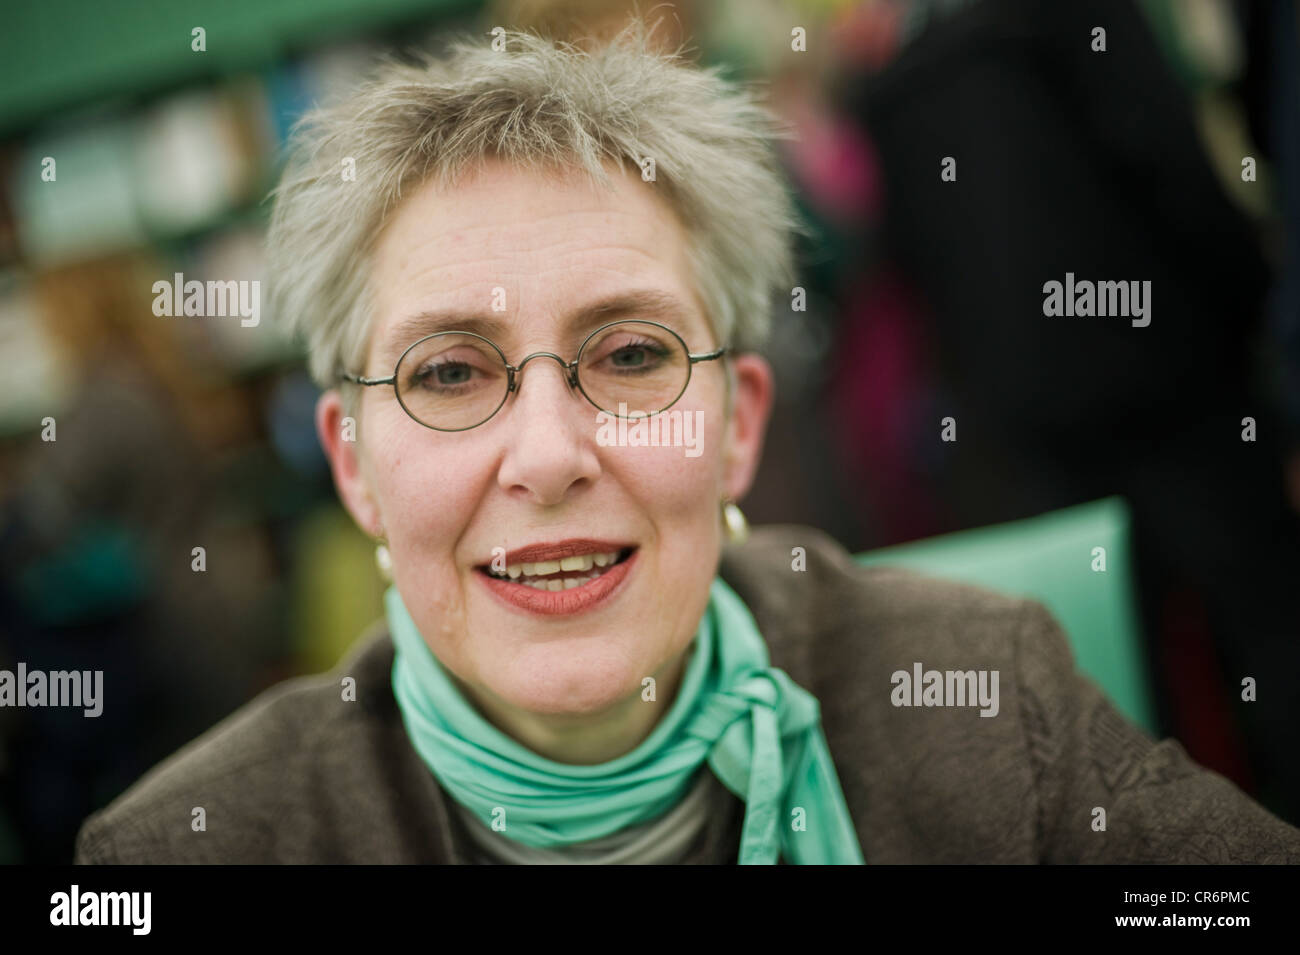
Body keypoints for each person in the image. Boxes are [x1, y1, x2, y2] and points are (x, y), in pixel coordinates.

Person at [74, 25, 1300, 864]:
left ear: (737, 427)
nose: (548, 455)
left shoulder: (984, 689)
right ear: (353, 464)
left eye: (629, 355)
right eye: (449, 372)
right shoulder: (188, 849)